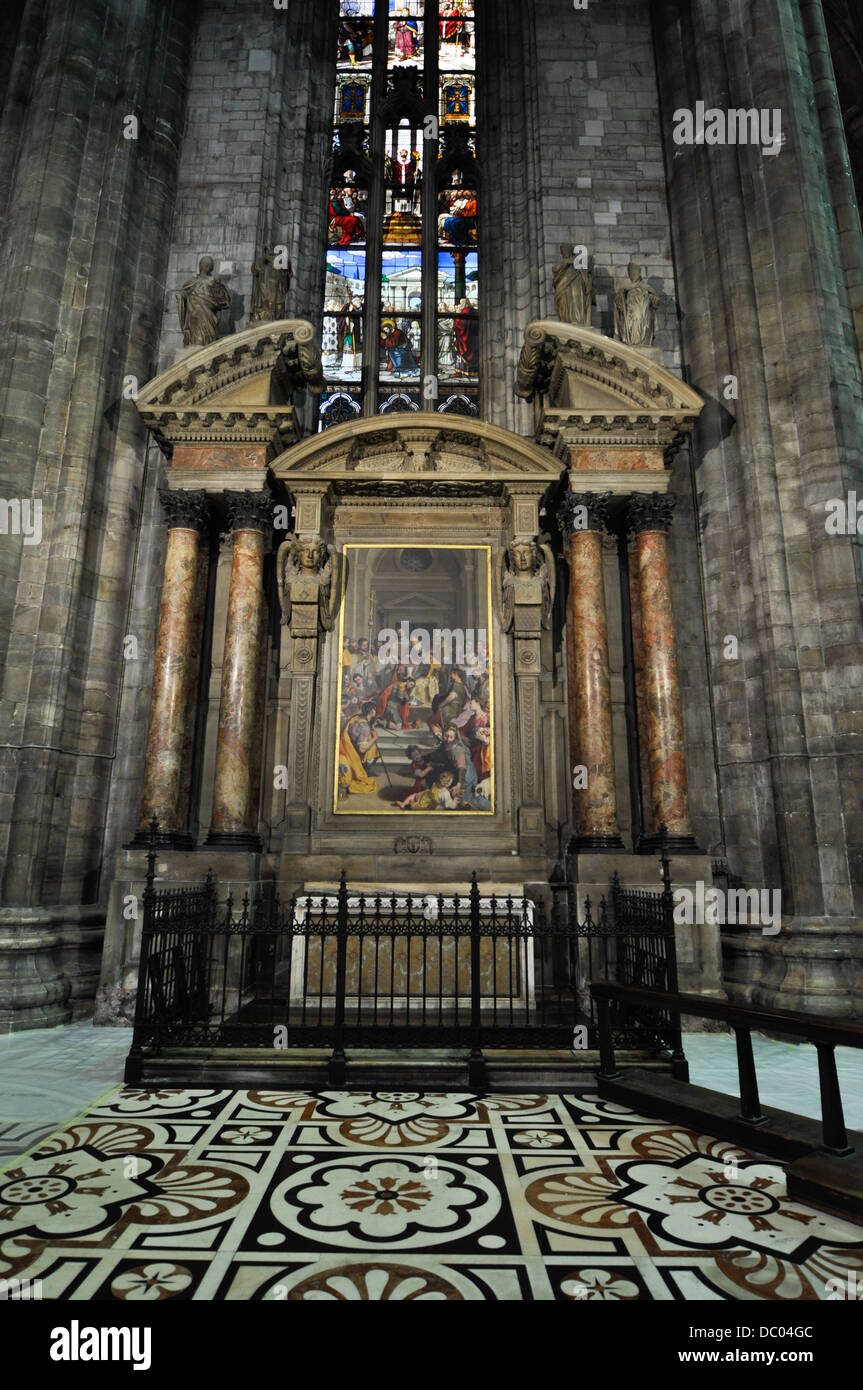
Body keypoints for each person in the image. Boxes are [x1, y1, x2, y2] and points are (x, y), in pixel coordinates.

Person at [176, 256, 231, 346]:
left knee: (206, 338)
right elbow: (184, 294)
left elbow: (224, 301)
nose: (205, 266)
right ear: (201, 265)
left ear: (210, 267)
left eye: (207, 264)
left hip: (208, 313)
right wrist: (181, 296)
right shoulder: (192, 282)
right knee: (197, 338)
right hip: (195, 313)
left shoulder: (213, 281)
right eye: (203, 264)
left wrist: (218, 286)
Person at [339, 701, 380, 797]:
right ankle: (365, 768)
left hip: (348, 747)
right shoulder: (364, 727)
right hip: (352, 753)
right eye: (375, 710)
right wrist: (374, 738)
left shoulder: (356, 718)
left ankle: (366, 768)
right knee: (373, 747)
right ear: (373, 711)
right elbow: (362, 749)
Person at [453, 297, 478, 374]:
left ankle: (463, 370)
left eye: (461, 303)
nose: (460, 305)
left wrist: (456, 320)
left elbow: (460, 324)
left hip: (465, 339)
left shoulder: (464, 312)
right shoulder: (474, 311)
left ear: (464, 304)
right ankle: (474, 371)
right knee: (474, 353)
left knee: (463, 352)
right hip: (474, 338)